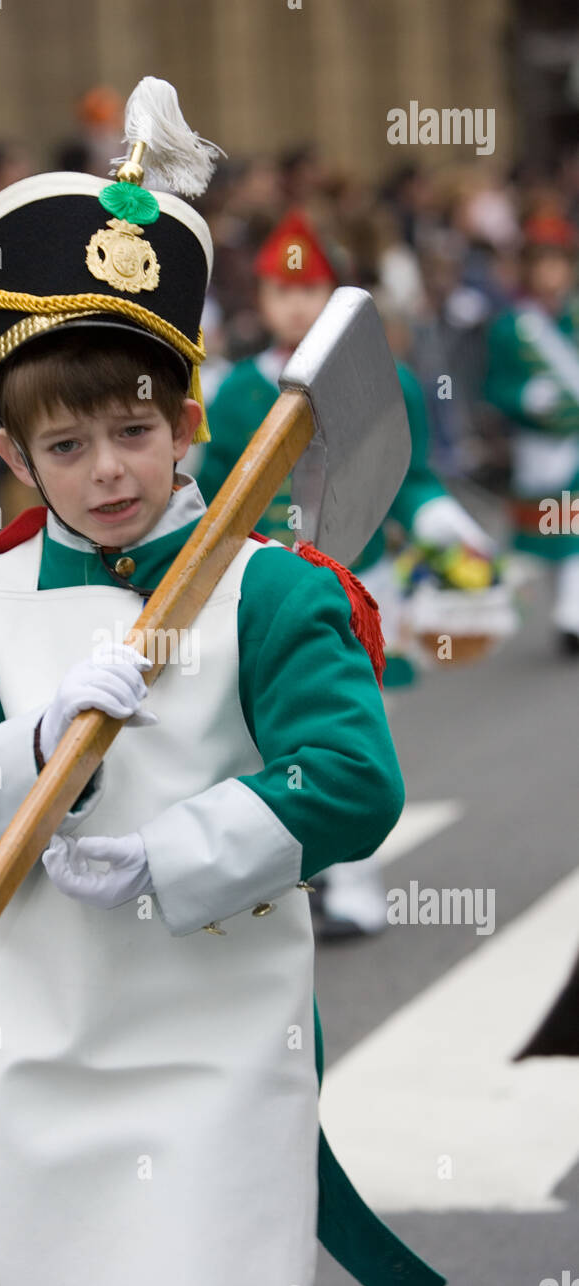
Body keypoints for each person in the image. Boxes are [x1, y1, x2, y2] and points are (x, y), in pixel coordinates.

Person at [0, 77, 444, 1286]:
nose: (105, 473)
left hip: (218, 1040)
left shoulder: (274, 592)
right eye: (66, 446)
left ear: (186, 415)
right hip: (35, 1047)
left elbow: (351, 781)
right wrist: (31, 740)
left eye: (133, 431)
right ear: (12, 456)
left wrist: (174, 853)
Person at [196, 209, 498, 937]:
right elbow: (213, 492)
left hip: (359, 591)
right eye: (279, 291)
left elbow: (411, 474)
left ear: (335, 294)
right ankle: (294, 880)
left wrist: (446, 528)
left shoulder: (382, 378)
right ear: (260, 301)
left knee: (351, 745)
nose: (295, 304)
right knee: (273, 742)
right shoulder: (237, 393)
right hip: (263, 592)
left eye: (311, 288)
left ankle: (357, 894)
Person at [484, 212, 579, 653]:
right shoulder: (510, 327)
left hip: (575, 442)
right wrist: (524, 397)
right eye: (540, 263)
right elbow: (493, 385)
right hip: (537, 446)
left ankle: (571, 614)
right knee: (538, 538)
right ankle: (492, 602)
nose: (550, 273)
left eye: (557, 262)